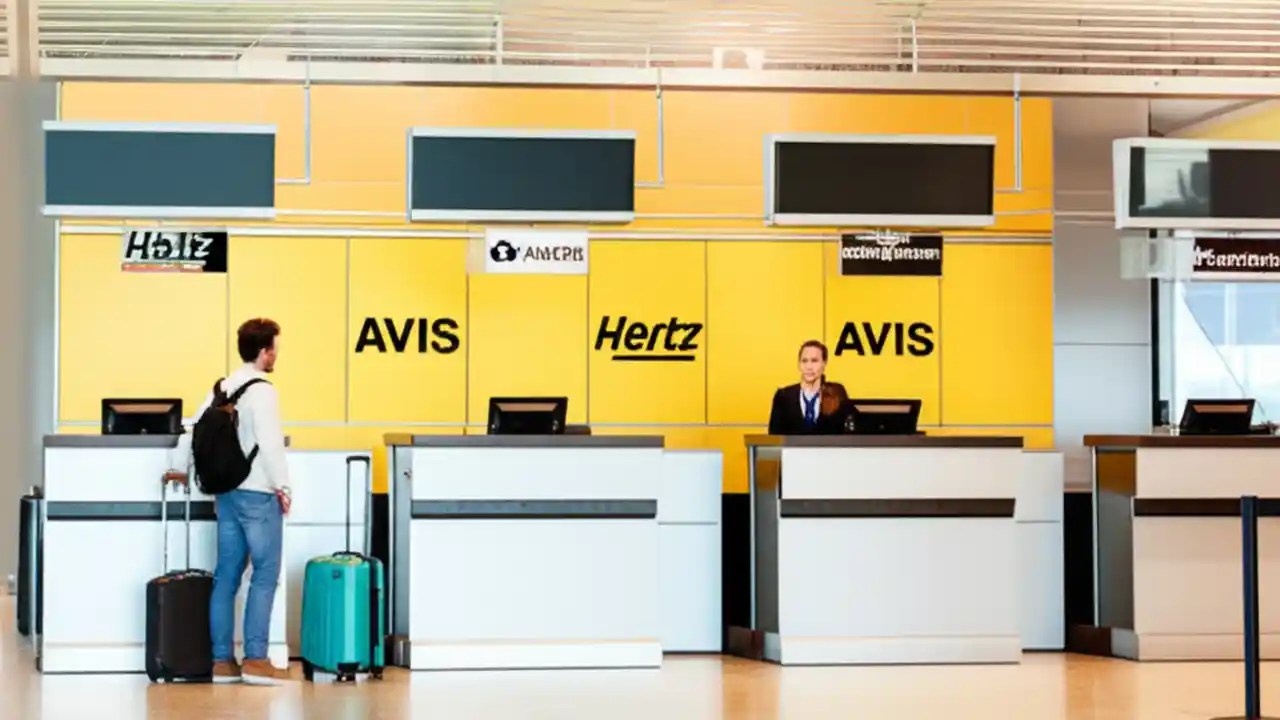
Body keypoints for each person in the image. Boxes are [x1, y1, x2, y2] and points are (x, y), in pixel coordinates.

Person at [166, 318, 292, 685]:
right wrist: (284, 487)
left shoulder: (222, 386)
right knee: (265, 574)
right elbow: (270, 445)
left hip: (226, 493)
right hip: (257, 493)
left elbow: (192, 431)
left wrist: (178, 468)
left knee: (227, 576)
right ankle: (255, 660)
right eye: (274, 349)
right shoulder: (264, 391)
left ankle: (222, 662)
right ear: (264, 351)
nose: (275, 355)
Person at [767, 339, 850, 435]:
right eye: (804, 361)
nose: (809, 367)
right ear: (799, 364)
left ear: (824, 363)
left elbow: (848, 433)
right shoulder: (783, 396)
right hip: (793, 450)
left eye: (814, 361)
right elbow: (774, 437)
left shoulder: (837, 393)